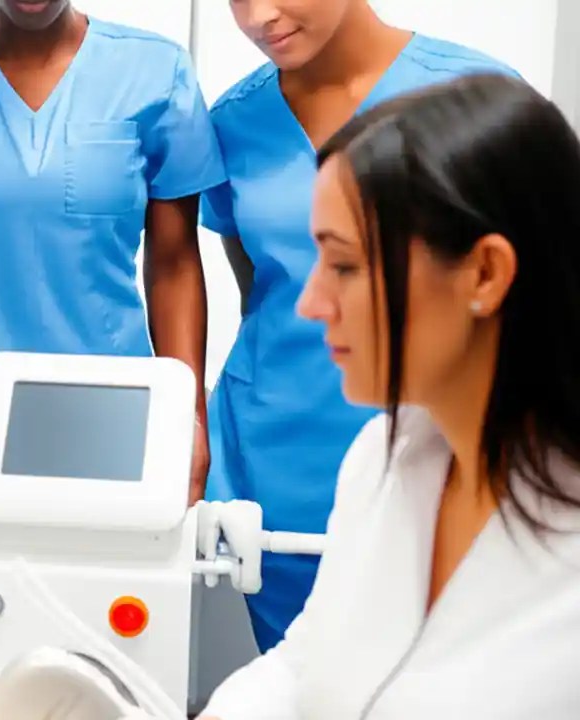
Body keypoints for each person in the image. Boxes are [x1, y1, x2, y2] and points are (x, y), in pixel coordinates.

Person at [201, 73, 580, 718]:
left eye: (344, 265)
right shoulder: (383, 456)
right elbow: (303, 667)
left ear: (484, 273)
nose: (311, 303)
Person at [201, 0, 518, 651]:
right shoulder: (233, 123)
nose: (260, 15)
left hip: (433, 454)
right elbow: (267, 289)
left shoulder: (474, 102)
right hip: (273, 466)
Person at [0, 0, 220, 552]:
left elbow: (175, 263)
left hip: (121, 431)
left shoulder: (155, 72)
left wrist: (190, 424)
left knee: (109, 632)